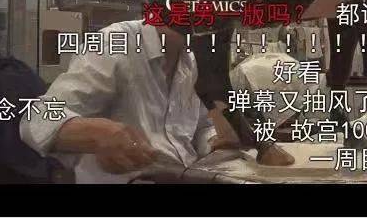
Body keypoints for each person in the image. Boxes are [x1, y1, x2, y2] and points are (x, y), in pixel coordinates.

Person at [20, 20, 233, 183]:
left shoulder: (192, 59)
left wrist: (214, 142)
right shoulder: (115, 42)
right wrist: (95, 134)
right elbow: (38, 117)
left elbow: (201, 126)